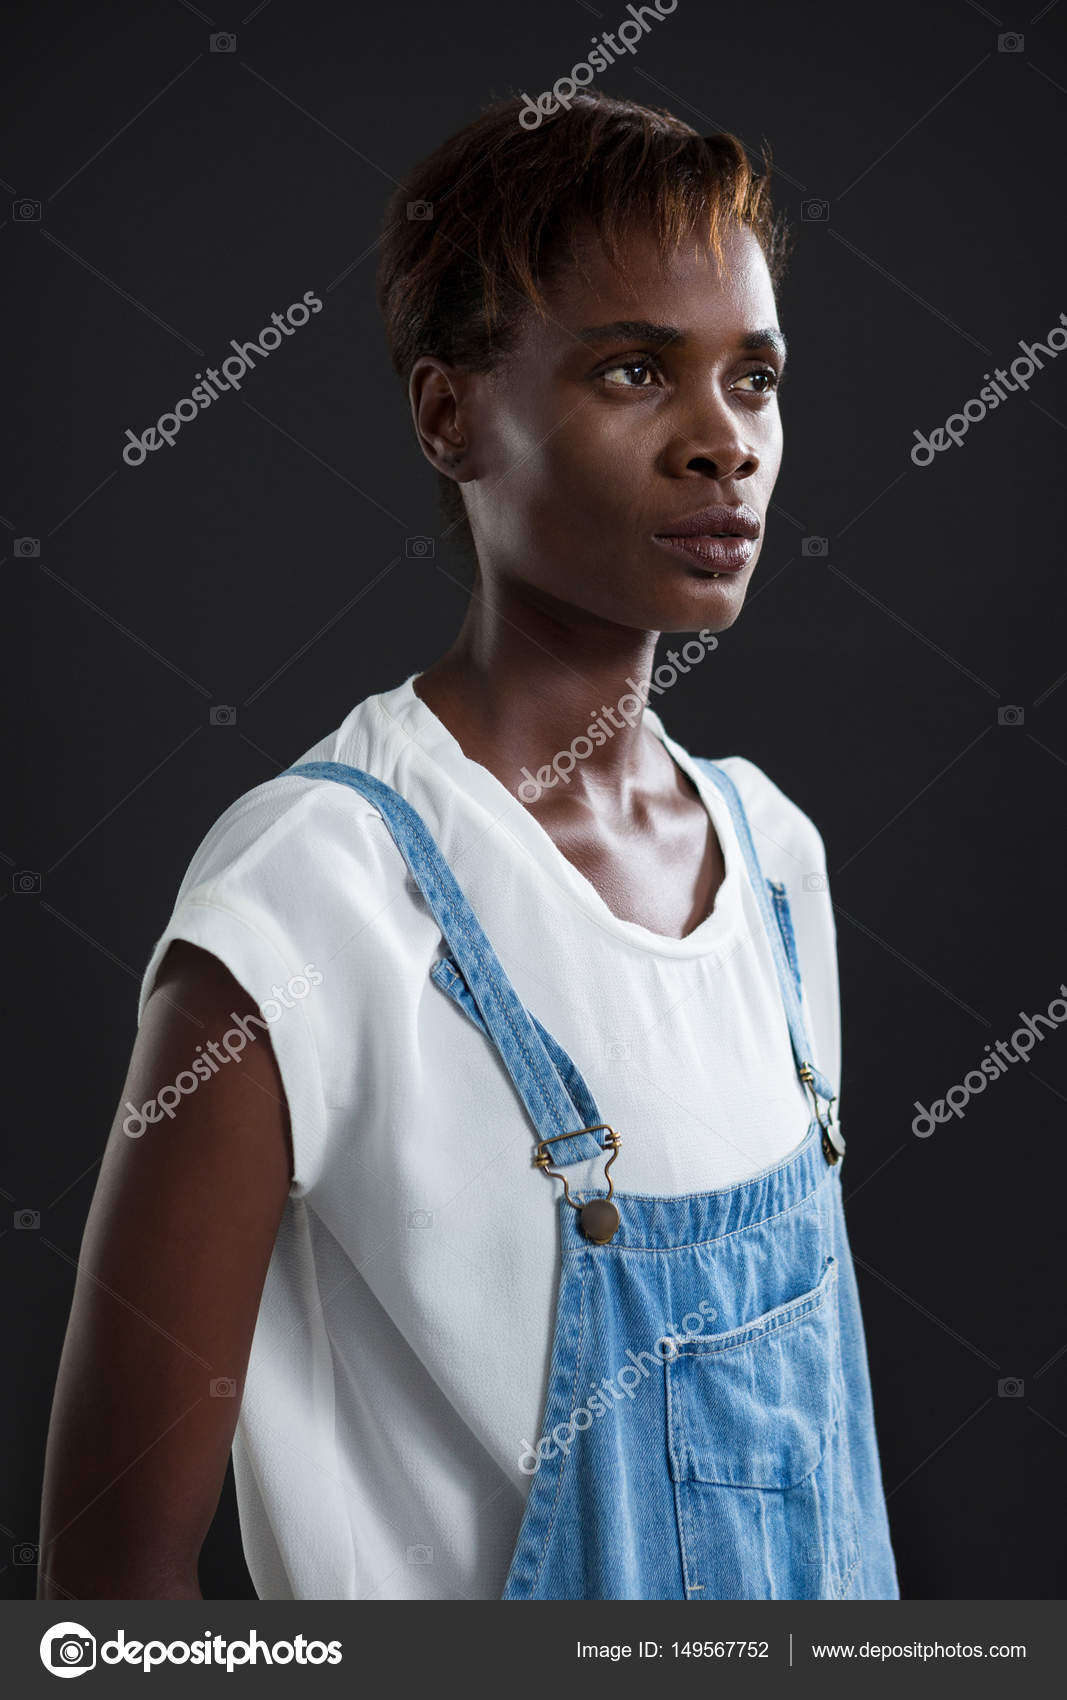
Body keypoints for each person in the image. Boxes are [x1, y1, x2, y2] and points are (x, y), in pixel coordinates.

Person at [38, 90, 898, 1602]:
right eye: (636, 371)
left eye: (753, 380)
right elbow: (110, 1596)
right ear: (451, 417)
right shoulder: (314, 896)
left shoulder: (774, 863)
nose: (721, 444)